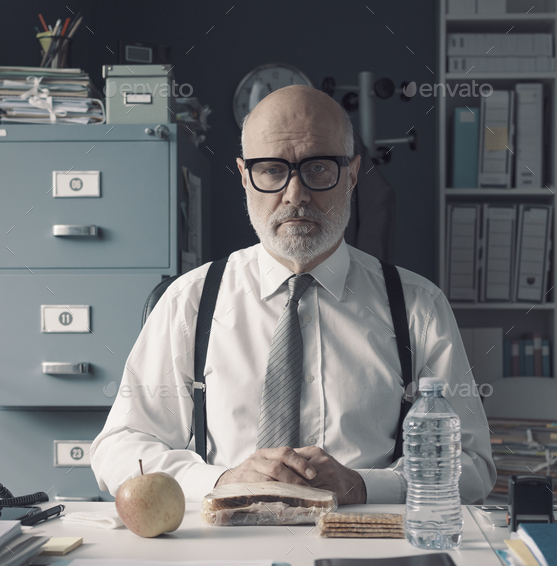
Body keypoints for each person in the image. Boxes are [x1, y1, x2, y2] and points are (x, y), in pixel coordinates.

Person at [91, 85, 495, 506]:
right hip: (225, 551)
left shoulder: (418, 308)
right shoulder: (188, 303)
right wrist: (222, 481)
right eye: (271, 170)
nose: (295, 195)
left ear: (353, 175)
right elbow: (118, 449)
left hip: (366, 545)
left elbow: (471, 464)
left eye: (318, 168)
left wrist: (363, 485)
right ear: (245, 177)